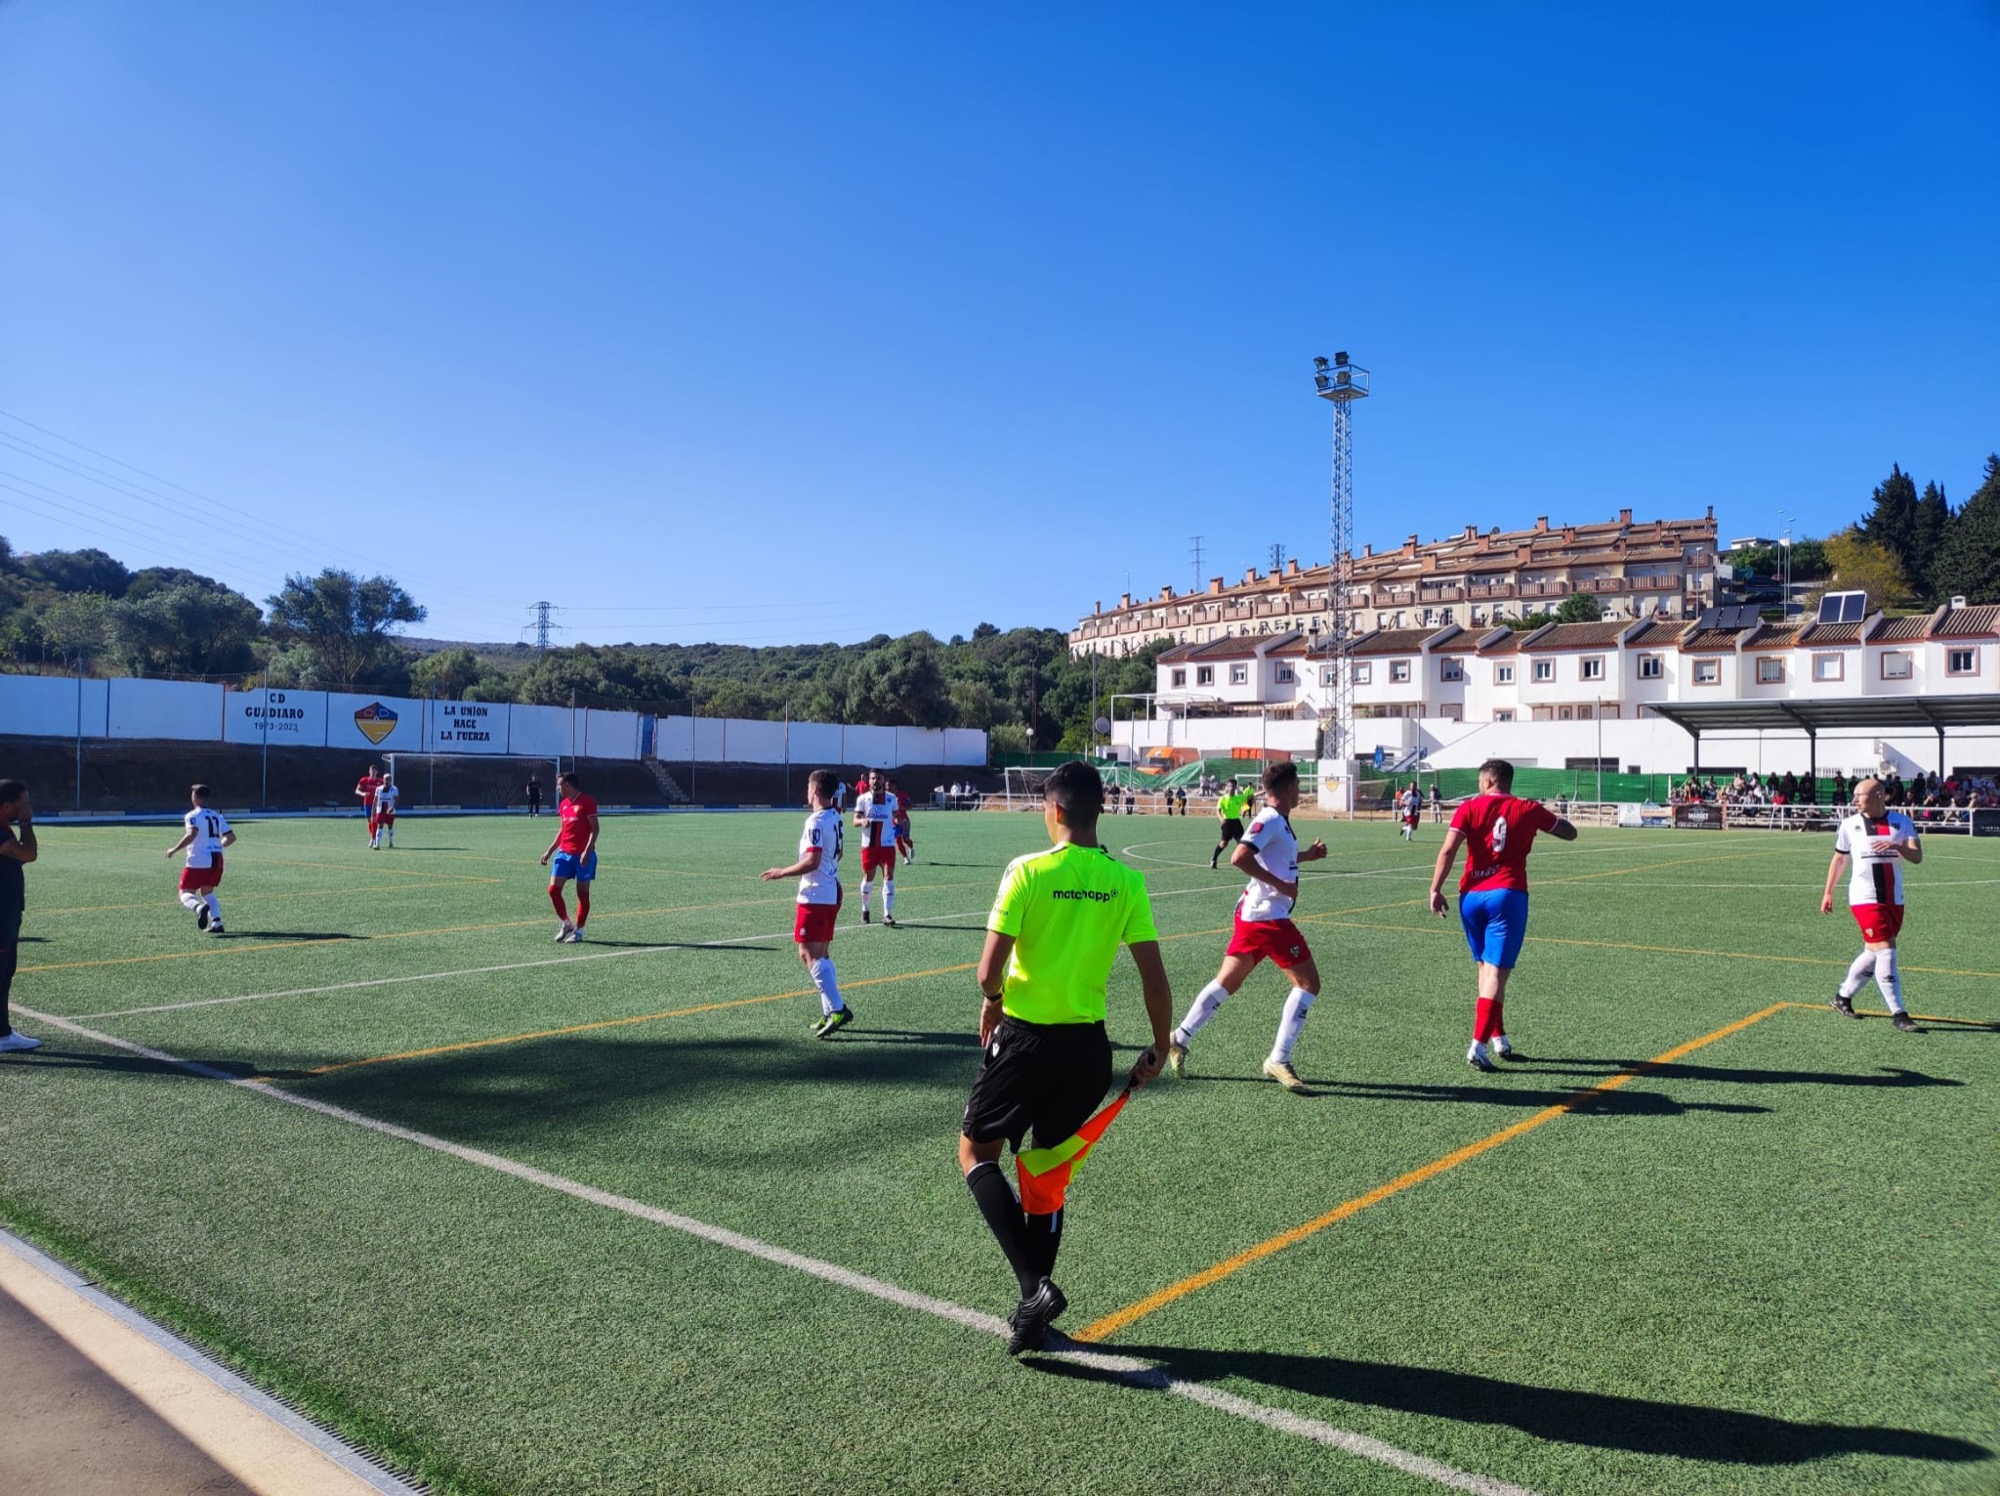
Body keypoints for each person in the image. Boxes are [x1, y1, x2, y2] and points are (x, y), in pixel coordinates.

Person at [959, 760, 1172, 1355]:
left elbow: (986, 970)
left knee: (976, 1151)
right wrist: (1159, 1043)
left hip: (1026, 1040)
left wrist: (994, 1002)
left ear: (1051, 810)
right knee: (1047, 1179)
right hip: (1088, 1051)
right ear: (1098, 811)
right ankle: (1034, 1323)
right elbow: (1154, 979)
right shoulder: (1126, 882)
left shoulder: (1028, 870)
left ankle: (1033, 1288)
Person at [1168, 760, 1329, 1091]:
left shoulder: (1278, 821)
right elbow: (1239, 857)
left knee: (1226, 983)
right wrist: (1281, 886)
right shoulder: (1269, 818)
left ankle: (1179, 1037)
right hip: (1269, 917)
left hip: (1253, 915)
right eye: (1297, 785)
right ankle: (1278, 1059)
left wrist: (1306, 857)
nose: (1300, 790)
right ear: (1286, 789)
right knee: (1308, 984)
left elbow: (1275, 857)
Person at [1428, 758, 1578, 1071]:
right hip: (1507, 895)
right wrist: (1551, 823)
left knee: (1485, 971)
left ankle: (1498, 1036)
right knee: (1496, 973)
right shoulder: (1527, 808)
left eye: (1480, 781)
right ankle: (1477, 1046)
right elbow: (1568, 833)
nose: (1479, 786)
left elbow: (1447, 850)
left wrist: (1435, 888)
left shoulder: (1468, 808)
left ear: (1489, 781)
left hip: (1471, 895)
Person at [1822, 778, 1922, 1031]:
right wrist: (1828, 892)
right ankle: (1899, 1013)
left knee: (1873, 952)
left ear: (1879, 795)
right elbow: (1839, 860)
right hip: (1864, 897)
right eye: (1854, 795)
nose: (1854, 799)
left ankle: (1842, 996)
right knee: (1887, 950)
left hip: (1894, 898)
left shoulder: (1902, 822)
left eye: (1860, 795)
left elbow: (1917, 857)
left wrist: (1896, 844)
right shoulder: (1849, 825)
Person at [761, 769, 852, 1038]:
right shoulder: (835, 816)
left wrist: (781, 872)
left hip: (816, 895)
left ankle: (838, 1009)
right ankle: (828, 1012)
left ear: (814, 790)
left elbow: (812, 861)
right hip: (830, 889)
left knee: (808, 954)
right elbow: (839, 853)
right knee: (821, 954)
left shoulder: (815, 821)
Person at [0, 779, 40, 1053]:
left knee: (5, 972)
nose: (27, 808)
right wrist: (26, 824)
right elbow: (29, 853)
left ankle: (3, 1032)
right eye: (22, 804)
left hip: (7, 908)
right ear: (6, 806)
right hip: (1, 910)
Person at [165, 784, 235, 936]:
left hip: (199, 858)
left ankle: (198, 908)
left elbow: (192, 833)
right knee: (207, 891)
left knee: (185, 893)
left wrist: (175, 849)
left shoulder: (192, 815)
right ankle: (217, 923)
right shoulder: (217, 816)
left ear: (195, 797)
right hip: (217, 859)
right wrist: (218, 846)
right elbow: (230, 837)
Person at [539, 772, 599, 943]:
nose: (557, 788)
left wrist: (587, 851)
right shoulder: (563, 805)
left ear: (567, 785)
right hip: (564, 854)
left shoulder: (587, 802)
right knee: (553, 890)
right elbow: (562, 830)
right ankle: (566, 923)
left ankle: (579, 931)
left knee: (582, 894)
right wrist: (549, 851)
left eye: (559, 785)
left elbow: (595, 829)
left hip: (582, 855)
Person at [852, 770, 901, 925]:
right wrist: (862, 821)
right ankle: (865, 910)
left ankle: (887, 914)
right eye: (873, 778)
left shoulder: (891, 798)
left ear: (883, 780)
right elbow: (855, 820)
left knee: (889, 876)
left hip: (887, 845)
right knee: (868, 878)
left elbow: (896, 816)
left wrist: (900, 822)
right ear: (869, 780)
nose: (875, 781)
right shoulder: (862, 799)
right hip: (869, 845)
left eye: (878, 778)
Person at [1210, 777, 1252, 869]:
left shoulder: (1239, 798)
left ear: (1236, 787)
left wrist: (1265, 791)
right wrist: (1221, 819)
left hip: (1236, 822)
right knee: (1224, 843)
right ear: (1226, 787)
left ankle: (1244, 862)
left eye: (1233, 786)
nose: (1231, 787)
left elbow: (1250, 796)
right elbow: (1218, 811)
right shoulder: (1223, 798)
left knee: (1242, 843)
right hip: (1227, 822)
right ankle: (1214, 858)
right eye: (1230, 786)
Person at [887, 775, 916, 864]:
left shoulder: (902, 795)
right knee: (897, 841)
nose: (887, 787)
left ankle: (911, 848)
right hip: (893, 822)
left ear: (894, 786)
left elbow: (911, 805)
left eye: (889, 785)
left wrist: (904, 807)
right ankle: (905, 858)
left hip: (904, 821)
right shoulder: (885, 797)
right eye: (886, 785)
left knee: (905, 839)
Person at [355, 763, 384, 841]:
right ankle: (373, 836)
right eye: (372, 771)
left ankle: (374, 838)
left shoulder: (381, 781)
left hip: (377, 804)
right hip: (367, 803)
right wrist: (363, 794)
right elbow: (357, 790)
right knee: (369, 820)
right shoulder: (364, 780)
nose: (373, 773)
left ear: (377, 772)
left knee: (374, 819)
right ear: (369, 771)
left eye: (374, 771)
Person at [370, 772, 400, 850]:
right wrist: (373, 812)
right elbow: (375, 800)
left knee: (390, 826)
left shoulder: (394, 789)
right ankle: (377, 844)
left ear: (391, 780)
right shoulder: (378, 789)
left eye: (389, 780)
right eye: (385, 779)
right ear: (383, 780)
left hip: (390, 810)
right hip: (380, 809)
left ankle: (391, 842)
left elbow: (397, 800)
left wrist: (392, 808)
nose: (387, 781)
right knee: (380, 826)